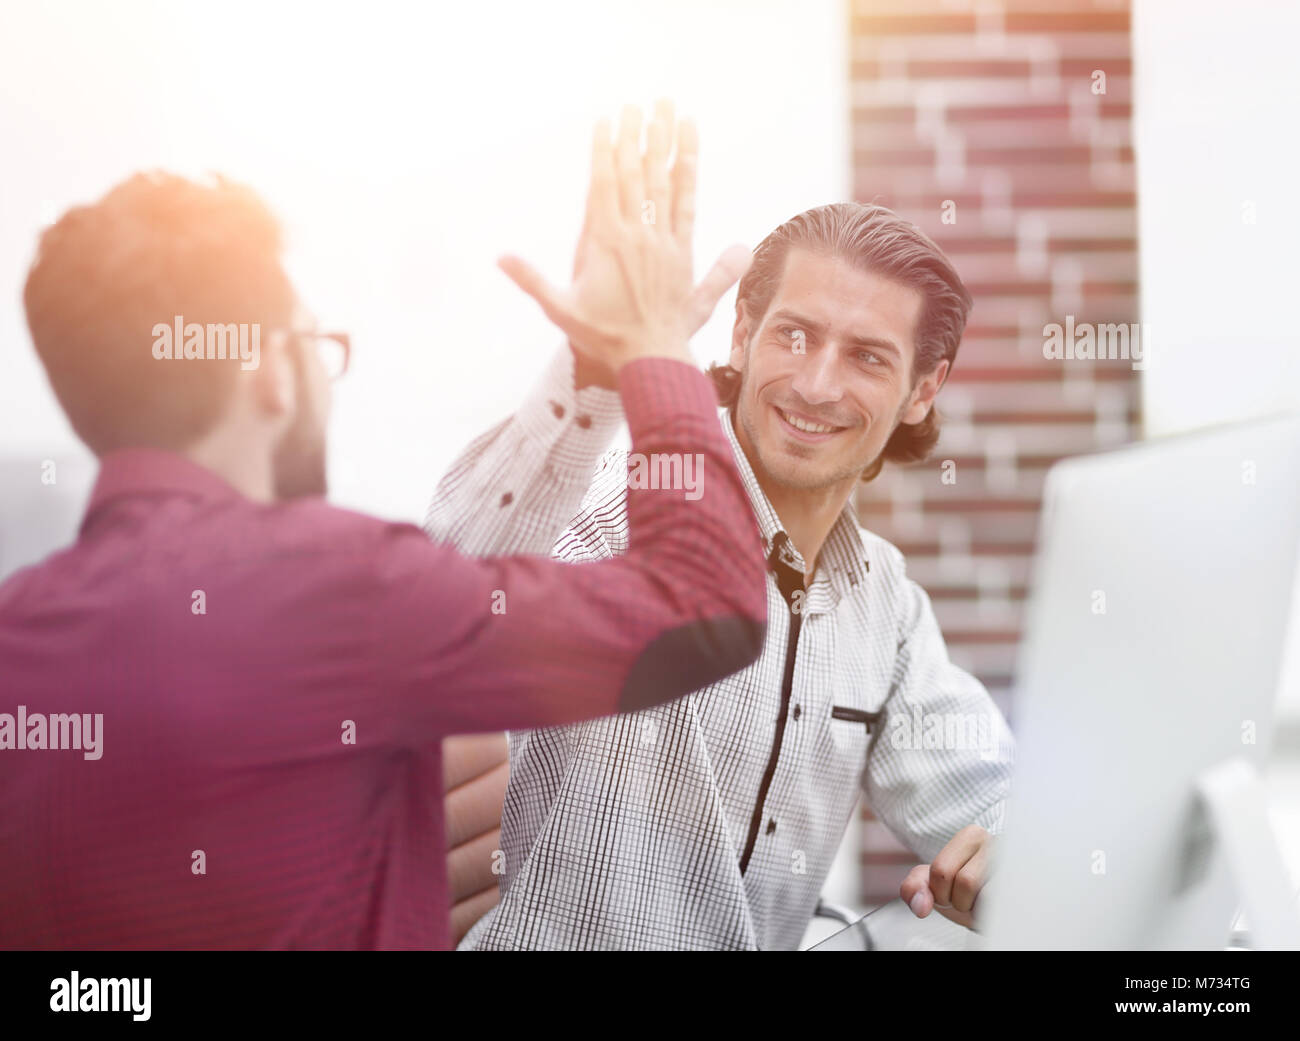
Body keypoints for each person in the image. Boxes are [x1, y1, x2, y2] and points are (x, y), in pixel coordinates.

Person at [0, 105, 766, 949]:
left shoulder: (16, 631)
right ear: (270, 372)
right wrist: (651, 345)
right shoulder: (336, 586)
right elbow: (706, 603)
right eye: (318, 346)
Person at [428, 198, 1016, 950]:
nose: (816, 384)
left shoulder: (887, 608)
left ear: (923, 391)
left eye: (867, 356)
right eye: (795, 335)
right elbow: (438, 592)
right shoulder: (617, 514)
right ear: (742, 334)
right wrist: (601, 366)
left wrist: (1011, 845)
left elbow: (989, 792)